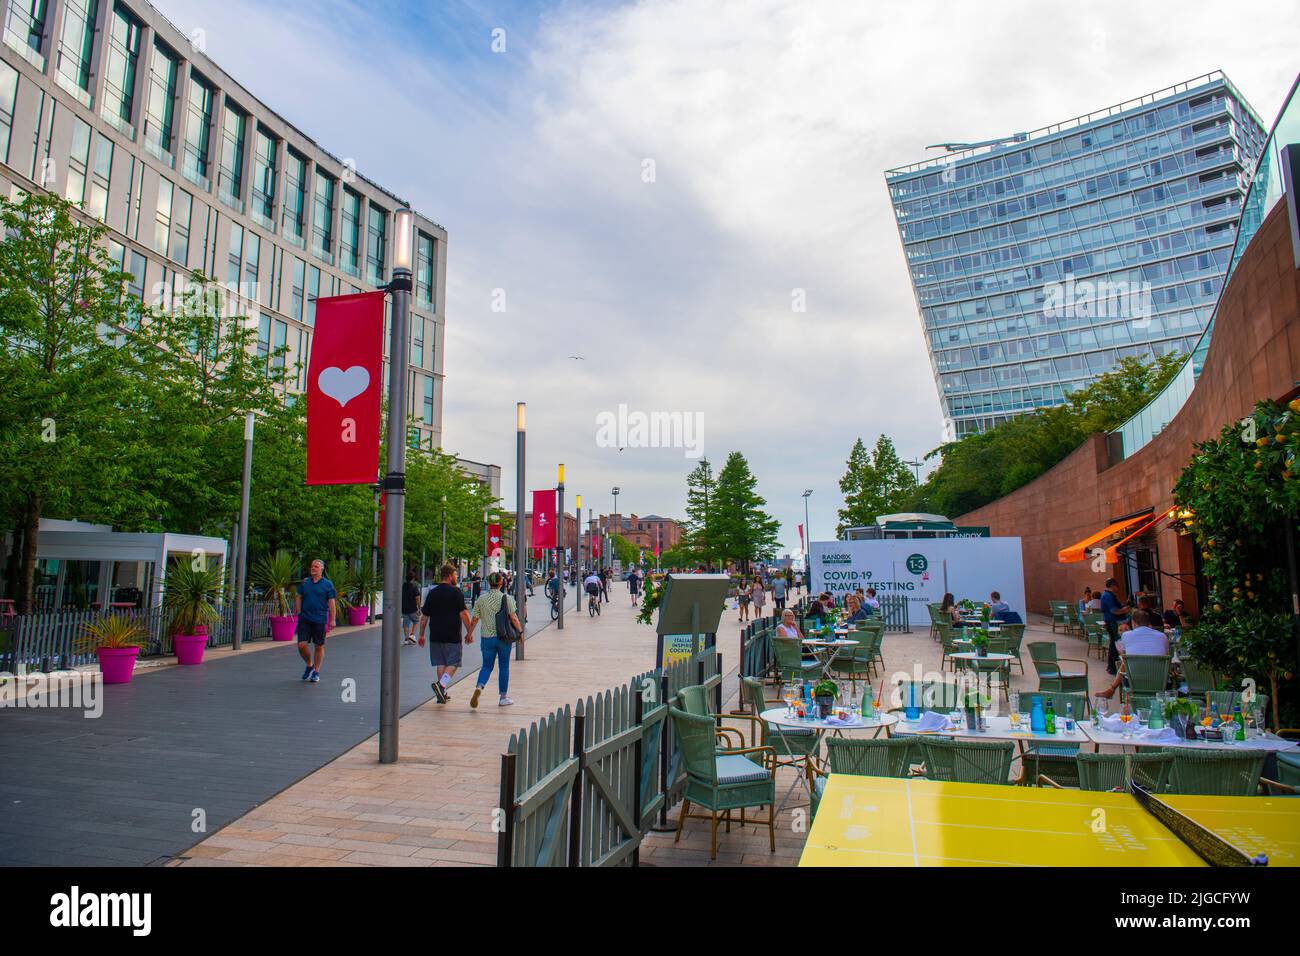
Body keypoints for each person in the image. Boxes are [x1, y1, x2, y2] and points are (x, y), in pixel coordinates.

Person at [419, 563, 474, 703]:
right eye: (455, 574)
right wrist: (469, 632)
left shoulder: (432, 593)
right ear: (449, 576)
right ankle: (441, 685)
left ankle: (441, 693)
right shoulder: (456, 592)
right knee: (454, 663)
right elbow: (464, 614)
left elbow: (424, 617)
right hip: (452, 635)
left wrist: (421, 635)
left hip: (435, 634)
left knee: (441, 663)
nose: (456, 576)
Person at [470, 572, 524, 708]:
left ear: (489, 583)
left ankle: (479, 686)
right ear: (501, 583)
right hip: (503, 638)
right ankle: (503, 697)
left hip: (486, 638)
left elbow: (475, 619)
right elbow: (514, 618)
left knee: (487, 666)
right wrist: (520, 632)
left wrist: (469, 634)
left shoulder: (481, 599)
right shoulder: (507, 598)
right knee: (504, 667)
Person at [1098, 610, 1170, 698]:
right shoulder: (1162, 636)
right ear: (1148, 622)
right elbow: (1166, 655)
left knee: (1125, 661)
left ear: (1134, 623)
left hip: (1134, 682)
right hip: (1160, 682)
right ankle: (1111, 689)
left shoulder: (1126, 635)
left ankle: (1112, 689)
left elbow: (1124, 655)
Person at [294, 559, 337, 684]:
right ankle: (309, 665)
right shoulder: (305, 582)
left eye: (316, 566)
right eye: (312, 566)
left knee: (319, 646)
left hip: (320, 619)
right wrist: (299, 611)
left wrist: (333, 620)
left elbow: (332, 602)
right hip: (305, 619)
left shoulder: (328, 584)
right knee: (301, 645)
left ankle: (316, 672)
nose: (313, 568)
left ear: (321, 569)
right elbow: (298, 596)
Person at [1099, 578, 1131, 676]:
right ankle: (1113, 666)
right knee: (1116, 644)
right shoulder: (1108, 596)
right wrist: (1124, 610)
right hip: (1113, 622)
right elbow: (1114, 610)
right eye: (1116, 585)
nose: (1117, 587)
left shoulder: (1108, 595)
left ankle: (1113, 666)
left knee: (1114, 643)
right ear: (1112, 585)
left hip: (1112, 621)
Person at [401, 571, 421, 645]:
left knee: (406, 624)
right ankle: (412, 635)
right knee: (416, 621)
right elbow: (417, 598)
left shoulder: (403, 586)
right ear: (413, 578)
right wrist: (419, 608)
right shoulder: (414, 586)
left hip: (404, 608)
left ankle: (406, 639)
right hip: (412, 608)